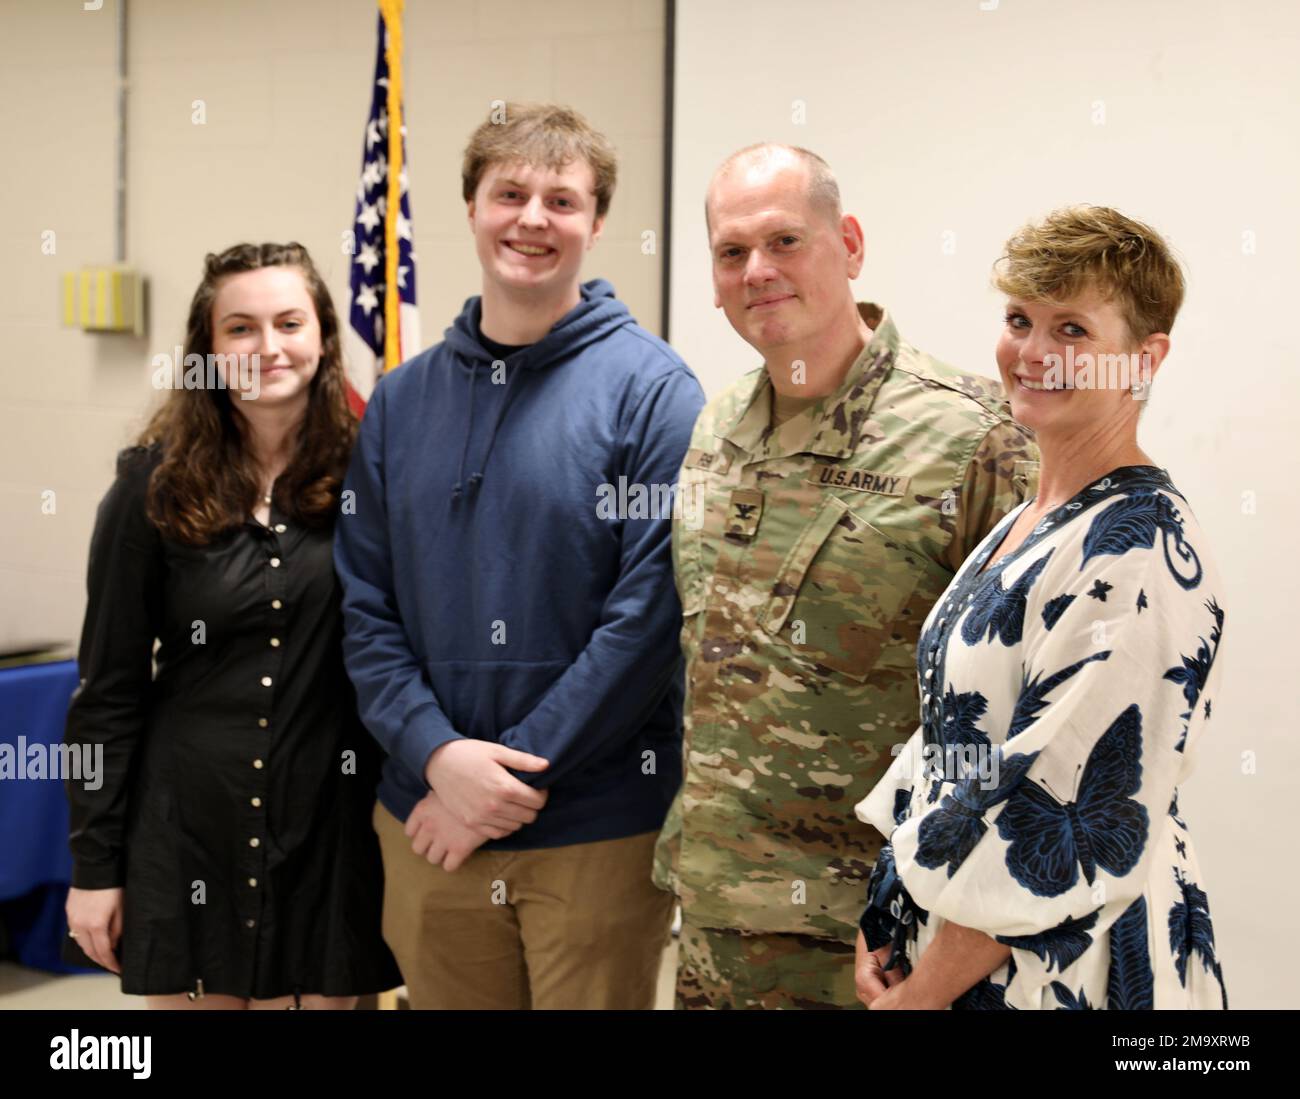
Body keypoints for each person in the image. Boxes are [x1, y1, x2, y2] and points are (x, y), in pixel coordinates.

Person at [651, 143, 1040, 1009]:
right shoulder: (718, 428)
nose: (758, 271)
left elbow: (1027, 724)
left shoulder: (977, 439)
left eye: (785, 241)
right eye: (731, 252)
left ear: (851, 244)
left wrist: (949, 955)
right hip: (714, 919)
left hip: (879, 940)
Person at [335, 102, 704, 1010]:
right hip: (427, 822)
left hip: (593, 830)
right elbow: (364, 606)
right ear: (470, 207)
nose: (533, 219)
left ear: (596, 222)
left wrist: (498, 781)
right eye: (510, 193)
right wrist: (438, 759)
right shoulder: (399, 400)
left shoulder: (656, 393)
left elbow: (646, 623)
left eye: (562, 200)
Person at [854, 205, 1228, 1010]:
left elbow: (1061, 804)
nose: (1031, 353)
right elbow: (954, 734)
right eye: (1020, 319)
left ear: (1145, 358)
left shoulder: (1139, 546)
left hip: (1065, 972)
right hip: (948, 960)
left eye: (1071, 331)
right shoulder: (1028, 523)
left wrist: (928, 989)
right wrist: (886, 905)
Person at [62, 242, 400, 1008]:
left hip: (332, 829)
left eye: (288, 322)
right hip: (186, 831)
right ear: (208, 351)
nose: (267, 347)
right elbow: (105, 694)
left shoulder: (372, 479)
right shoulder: (151, 486)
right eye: (239, 328)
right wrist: (93, 867)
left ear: (322, 337)